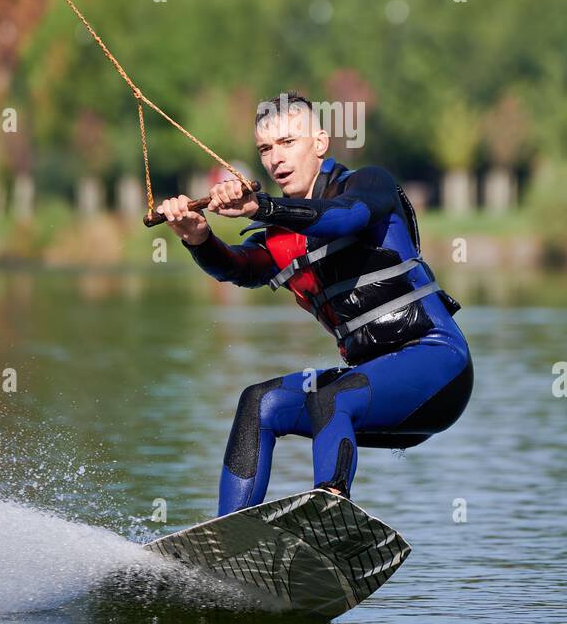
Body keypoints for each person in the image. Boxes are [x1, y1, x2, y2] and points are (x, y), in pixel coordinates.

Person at [158, 91, 473, 515]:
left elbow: (344, 217)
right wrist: (199, 238)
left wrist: (263, 206)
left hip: (438, 366)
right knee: (260, 402)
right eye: (265, 149)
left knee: (331, 398)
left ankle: (330, 510)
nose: (275, 159)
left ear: (319, 143)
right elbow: (239, 267)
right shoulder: (278, 237)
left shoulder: (368, 184)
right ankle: (227, 538)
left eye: (288, 142)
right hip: (368, 386)